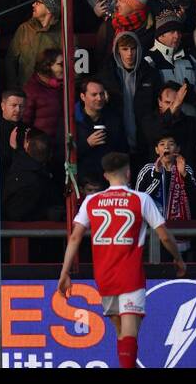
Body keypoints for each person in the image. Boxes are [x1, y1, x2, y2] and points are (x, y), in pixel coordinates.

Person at [57, 152, 187, 369]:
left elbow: (75, 237)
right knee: (129, 335)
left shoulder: (91, 201)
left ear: (106, 175)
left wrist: (64, 272)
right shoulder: (140, 199)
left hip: (104, 277)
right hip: (130, 275)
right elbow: (164, 235)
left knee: (121, 335)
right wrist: (179, 259)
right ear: (128, 173)